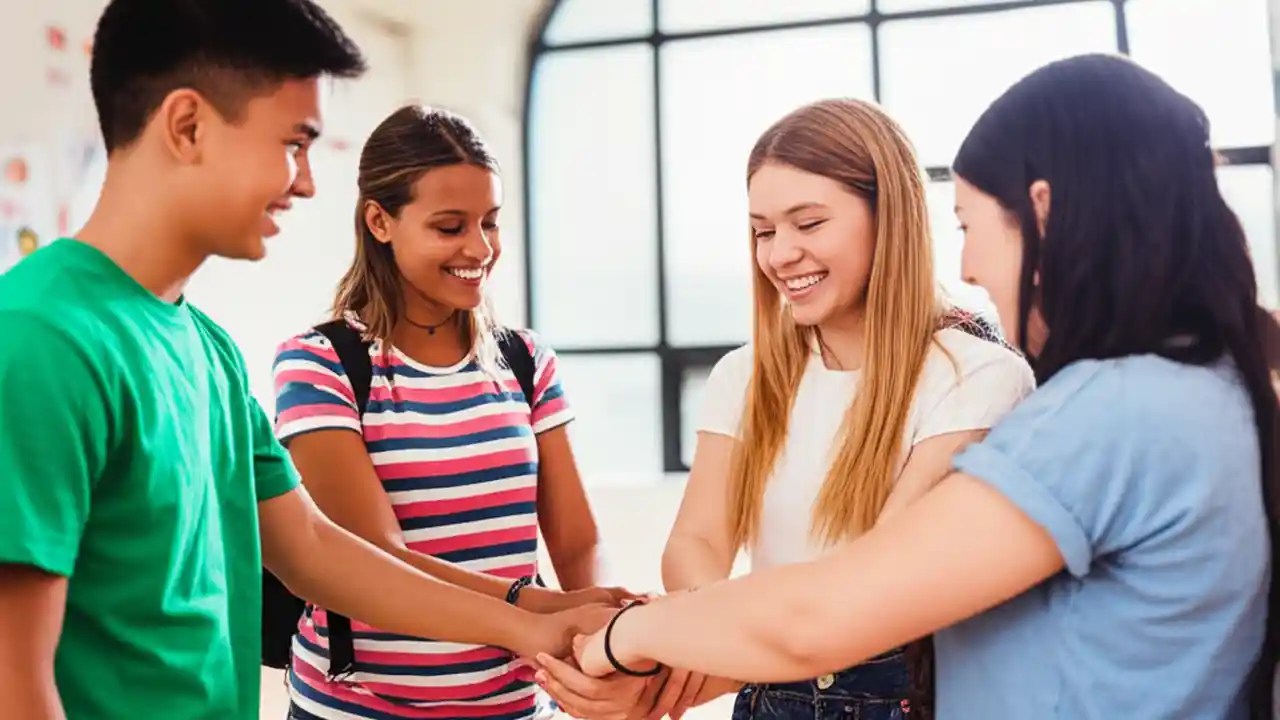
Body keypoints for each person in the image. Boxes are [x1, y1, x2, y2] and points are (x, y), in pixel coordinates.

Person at [565, 53, 1279, 719]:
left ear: (1042, 210)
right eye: (762, 230)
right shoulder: (1199, 388)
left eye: (970, 224)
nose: (966, 266)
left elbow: (831, 614)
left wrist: (628, 636)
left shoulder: (1111, 414)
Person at [0, 2, 612, 719]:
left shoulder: (208, 351)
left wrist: (535, 623)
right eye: (295, 143)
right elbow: (15, 684)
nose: (307, 182)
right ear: (187, 125)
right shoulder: (37, 337)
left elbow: (317, 549)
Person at [597, 98, 1030, 720]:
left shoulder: (978, 375)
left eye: (809, 223)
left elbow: (880, 585)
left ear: (890, 217)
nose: (778, 255)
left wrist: (699, 642)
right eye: (764, 231)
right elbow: (697, 539)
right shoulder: (742, 375)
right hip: (767, 686)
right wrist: (723, 636)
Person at [272, 105, 629, 719]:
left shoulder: (525, 360)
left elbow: (576, 540)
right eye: (449, 227)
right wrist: (538, 610)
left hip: (516, 706)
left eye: (490, 223)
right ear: (380, 221)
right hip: (359, 709)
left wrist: (596, 645)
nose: (481, 248)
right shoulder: (320, 364)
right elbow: (377, 561)